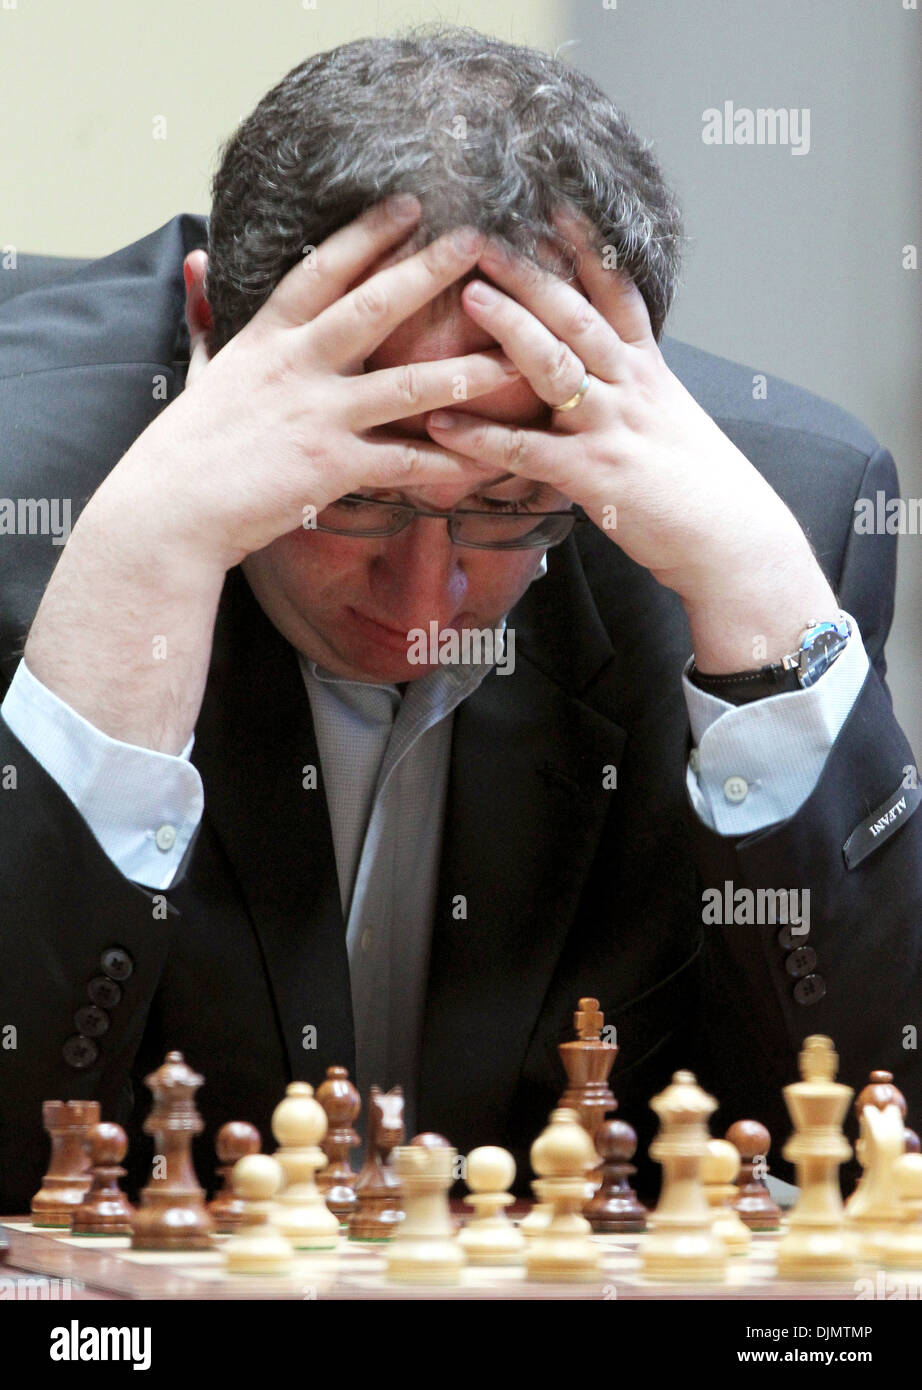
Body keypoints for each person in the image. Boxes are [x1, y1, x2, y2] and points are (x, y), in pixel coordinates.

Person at [1, 26, 919, 1208]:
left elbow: (863, 1153)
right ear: (207, 337)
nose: (427, 596)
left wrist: (764, 619)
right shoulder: (25, 479)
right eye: (360, 497)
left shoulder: (767, 529)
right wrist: (135, 570)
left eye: (511, 508)